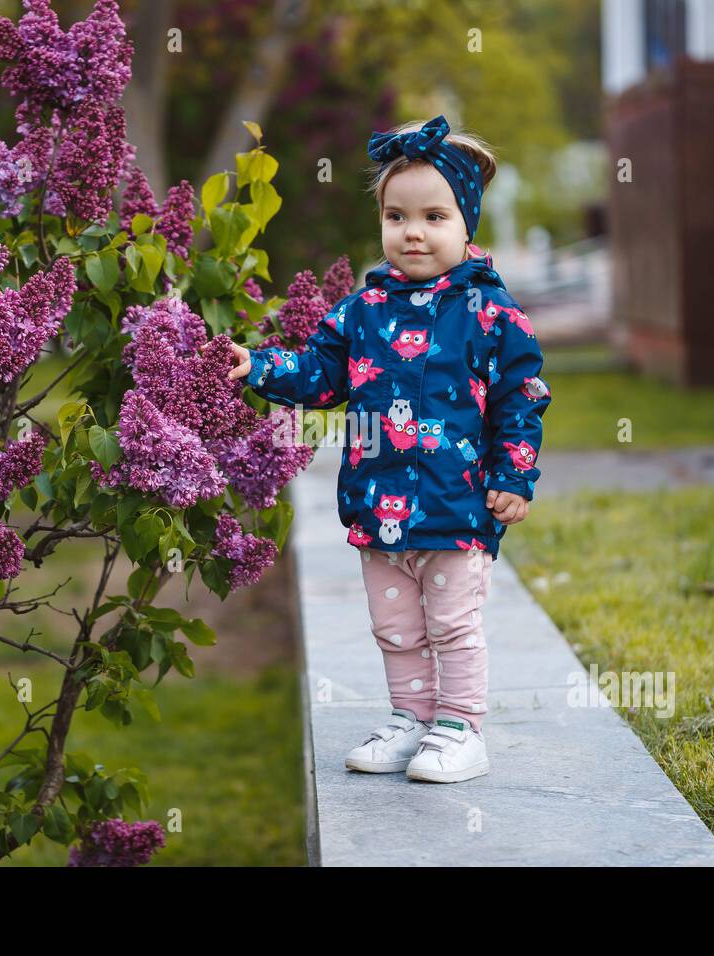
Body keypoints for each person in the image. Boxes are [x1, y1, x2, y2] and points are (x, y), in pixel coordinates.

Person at [209, 115, 552, 783]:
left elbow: (522, 398)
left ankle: (460, 728)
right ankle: (412, 719)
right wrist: (259, 366)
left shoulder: (492, 315)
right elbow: (319, 374)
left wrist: (514, 475)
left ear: (467, 225)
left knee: (452, 625)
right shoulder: (360, 312)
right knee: (395, 628)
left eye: (434, 217)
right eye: (397, 217)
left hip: (457, 508)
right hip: (377, 502)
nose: (413, 232)